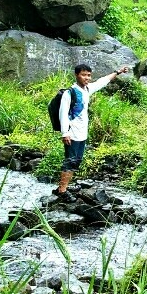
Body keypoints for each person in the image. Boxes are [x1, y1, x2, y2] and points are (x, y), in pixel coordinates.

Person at [53, 63, 130, 201]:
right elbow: (63, 113)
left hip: (82, 133)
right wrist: (65, 133)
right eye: (83, 75)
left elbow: (103, 81)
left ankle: (63, 187)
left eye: (89, 75)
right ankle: (62, 191)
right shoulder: (69, 93)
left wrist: (118, 72)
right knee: (70, 160)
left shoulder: (87, 89)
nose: (87, 78)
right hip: (72, 133)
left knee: (76, 160)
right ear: (77, 75)